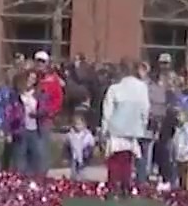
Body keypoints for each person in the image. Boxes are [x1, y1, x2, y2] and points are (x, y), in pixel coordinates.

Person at [99, 58, 152, 189]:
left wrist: (104, 129)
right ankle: (125, 185)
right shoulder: (142, 87)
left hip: (116, 128)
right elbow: (145, 109)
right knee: (128, 160)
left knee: (114, 159)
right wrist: (143, 125)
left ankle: (113, 185)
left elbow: (107, 111)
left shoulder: (114, 89)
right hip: (133, 128)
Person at [64, 110, 96, 180]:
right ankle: (74, 182)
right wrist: (66, 157)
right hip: (74, 157)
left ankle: (83, 183)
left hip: (84, 157)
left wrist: (89, 153)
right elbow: (66, 146)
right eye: (76, 124)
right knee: (74, 173)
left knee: (83, 173)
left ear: (84, 124)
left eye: (79, 124)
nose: (77, 126)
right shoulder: (70, 135)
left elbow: (91, 145)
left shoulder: (87, 135)